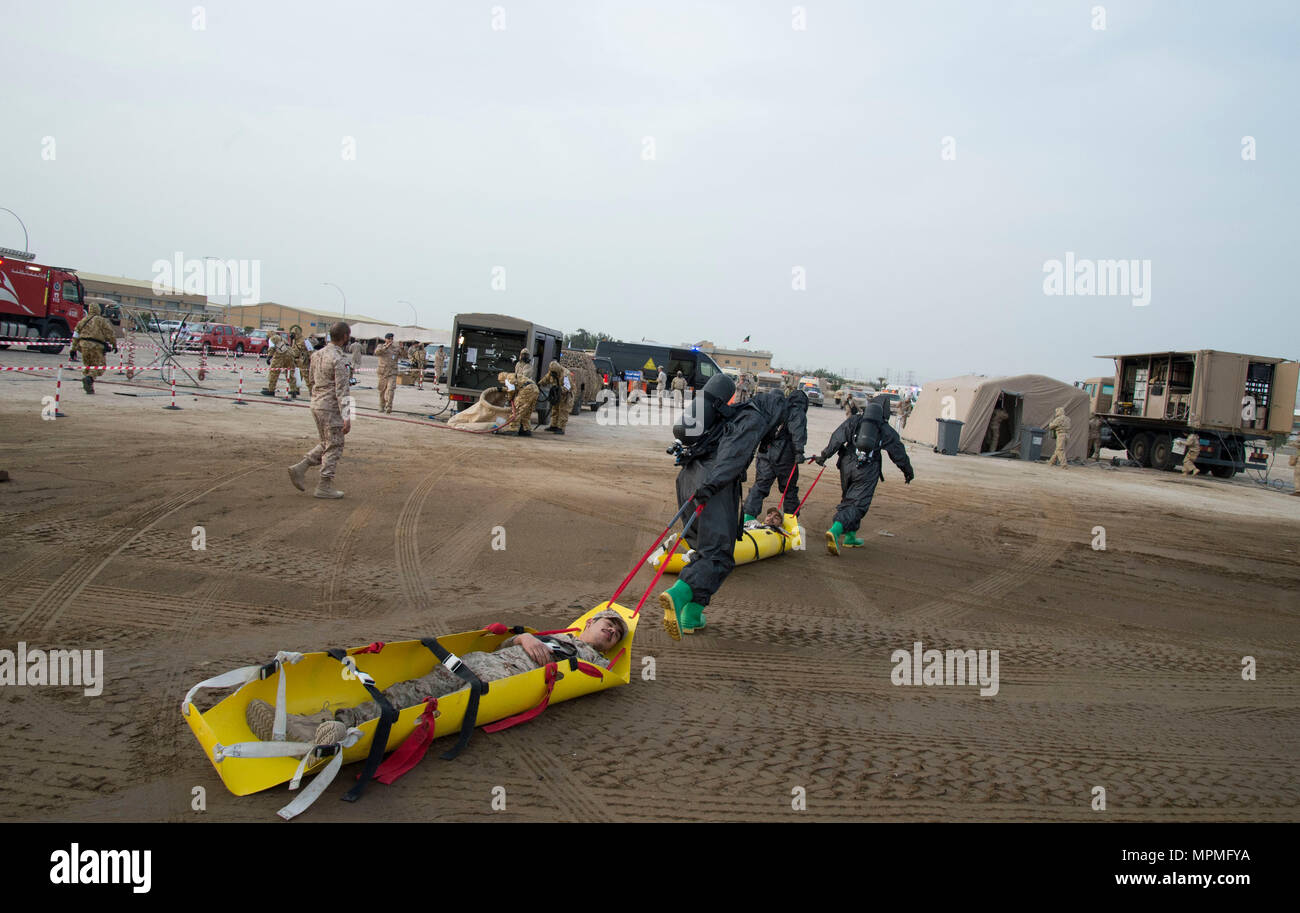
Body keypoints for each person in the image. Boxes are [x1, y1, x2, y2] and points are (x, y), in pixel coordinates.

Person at [245, 611, 628, 741]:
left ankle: (320, 730)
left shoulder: (594, 660)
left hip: (496, 683)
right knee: (405, 692)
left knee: (415, 706)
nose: (610, 632)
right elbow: (509, 639)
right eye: (608, 625)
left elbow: (595, 678)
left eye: (615, 635)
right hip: (476, 663)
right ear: (590, 622)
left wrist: (594, 659)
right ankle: (318, 724)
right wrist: (525, 635)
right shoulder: (554, 635)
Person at [658, 377, 791, 639]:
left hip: (689, 478)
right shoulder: (753, 419)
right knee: (718, 554)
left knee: (705, 551)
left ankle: (691, 616)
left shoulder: (732, 412)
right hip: (712, 485)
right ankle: (679, 593)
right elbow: (732, 456)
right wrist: (711, 486)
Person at [814, 401, 913, 554]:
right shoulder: (884, 428)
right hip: (867, 468)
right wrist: (907, 471)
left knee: (849, 498)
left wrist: (824, 456)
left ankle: (851, 537)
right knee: (857, 504)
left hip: (846, 465)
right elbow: (898, 452)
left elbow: (837, 437)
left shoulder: (854, 420)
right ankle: (835, 529)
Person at [287, 322, 353, 499]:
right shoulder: (339, 359)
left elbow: (310, 379)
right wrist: (348, 416)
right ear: (345, 336)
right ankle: (324, 485)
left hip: (316, 403)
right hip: (330, 407)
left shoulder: (317, 355)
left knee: (327, 442)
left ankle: (300, 468)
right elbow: (342, 390)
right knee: (335, 445)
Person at [742, 373, 808, 522]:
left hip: (764, 453)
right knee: (789, 490)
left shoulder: (767, 410)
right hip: (785, 456)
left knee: (759, 486)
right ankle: (791, 524)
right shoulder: (795, 411)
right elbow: (797, 431)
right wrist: (799, 452)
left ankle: (747, 519)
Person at [72, 302, 115, 394]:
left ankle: (89, 386)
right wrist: (114, 344)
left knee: (88, 366)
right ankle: (89, 379)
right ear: (98, 310)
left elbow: (75, 335)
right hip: (96, 346)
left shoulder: (83, 320)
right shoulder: (101, 320)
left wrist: (73, 349)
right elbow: (110, 333)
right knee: (100, 366)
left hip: (83, 346)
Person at [494, 370, 539, 436]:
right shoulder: (515, 375)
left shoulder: (508, 378)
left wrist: (509, 398)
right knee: (526, 411)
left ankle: (513, 429)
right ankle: (526, 429)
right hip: (535, 389)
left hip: (526, 390)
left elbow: (511, 390)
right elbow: (515, 386)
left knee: (517, 410)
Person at [261, 329, 301, 398]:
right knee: (290, 373)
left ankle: (271, 390)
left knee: (274, 372)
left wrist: (269, 357)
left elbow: (271, 348)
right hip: (290, 354)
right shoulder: (282, 338)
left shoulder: (272, 338)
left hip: (280, 355)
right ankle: (293, 390)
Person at [539, 359, 574, 434]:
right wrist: (540, 383)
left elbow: (568, 387)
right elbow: (546, 379)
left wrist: (560, 390)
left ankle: (561, 428)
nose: (553, 374)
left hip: (566, 395)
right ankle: (554, 426)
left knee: (563, 410)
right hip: (557, 394)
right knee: (555, 409)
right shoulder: (551, 372)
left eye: (555, 372)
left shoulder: (565, 374)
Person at [374, 333, 402, 413]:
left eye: (391, 339)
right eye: (389, 339)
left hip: (392, 372)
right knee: (382, 390)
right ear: (385, 339)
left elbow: (403, 355)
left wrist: (402, 348)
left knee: (391, 389)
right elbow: (377, 352)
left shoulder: (395, 348)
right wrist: (386, 347)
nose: (390, 340)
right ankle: (381, 405)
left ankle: (389, 406)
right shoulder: (381, 346)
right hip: (382, 372)